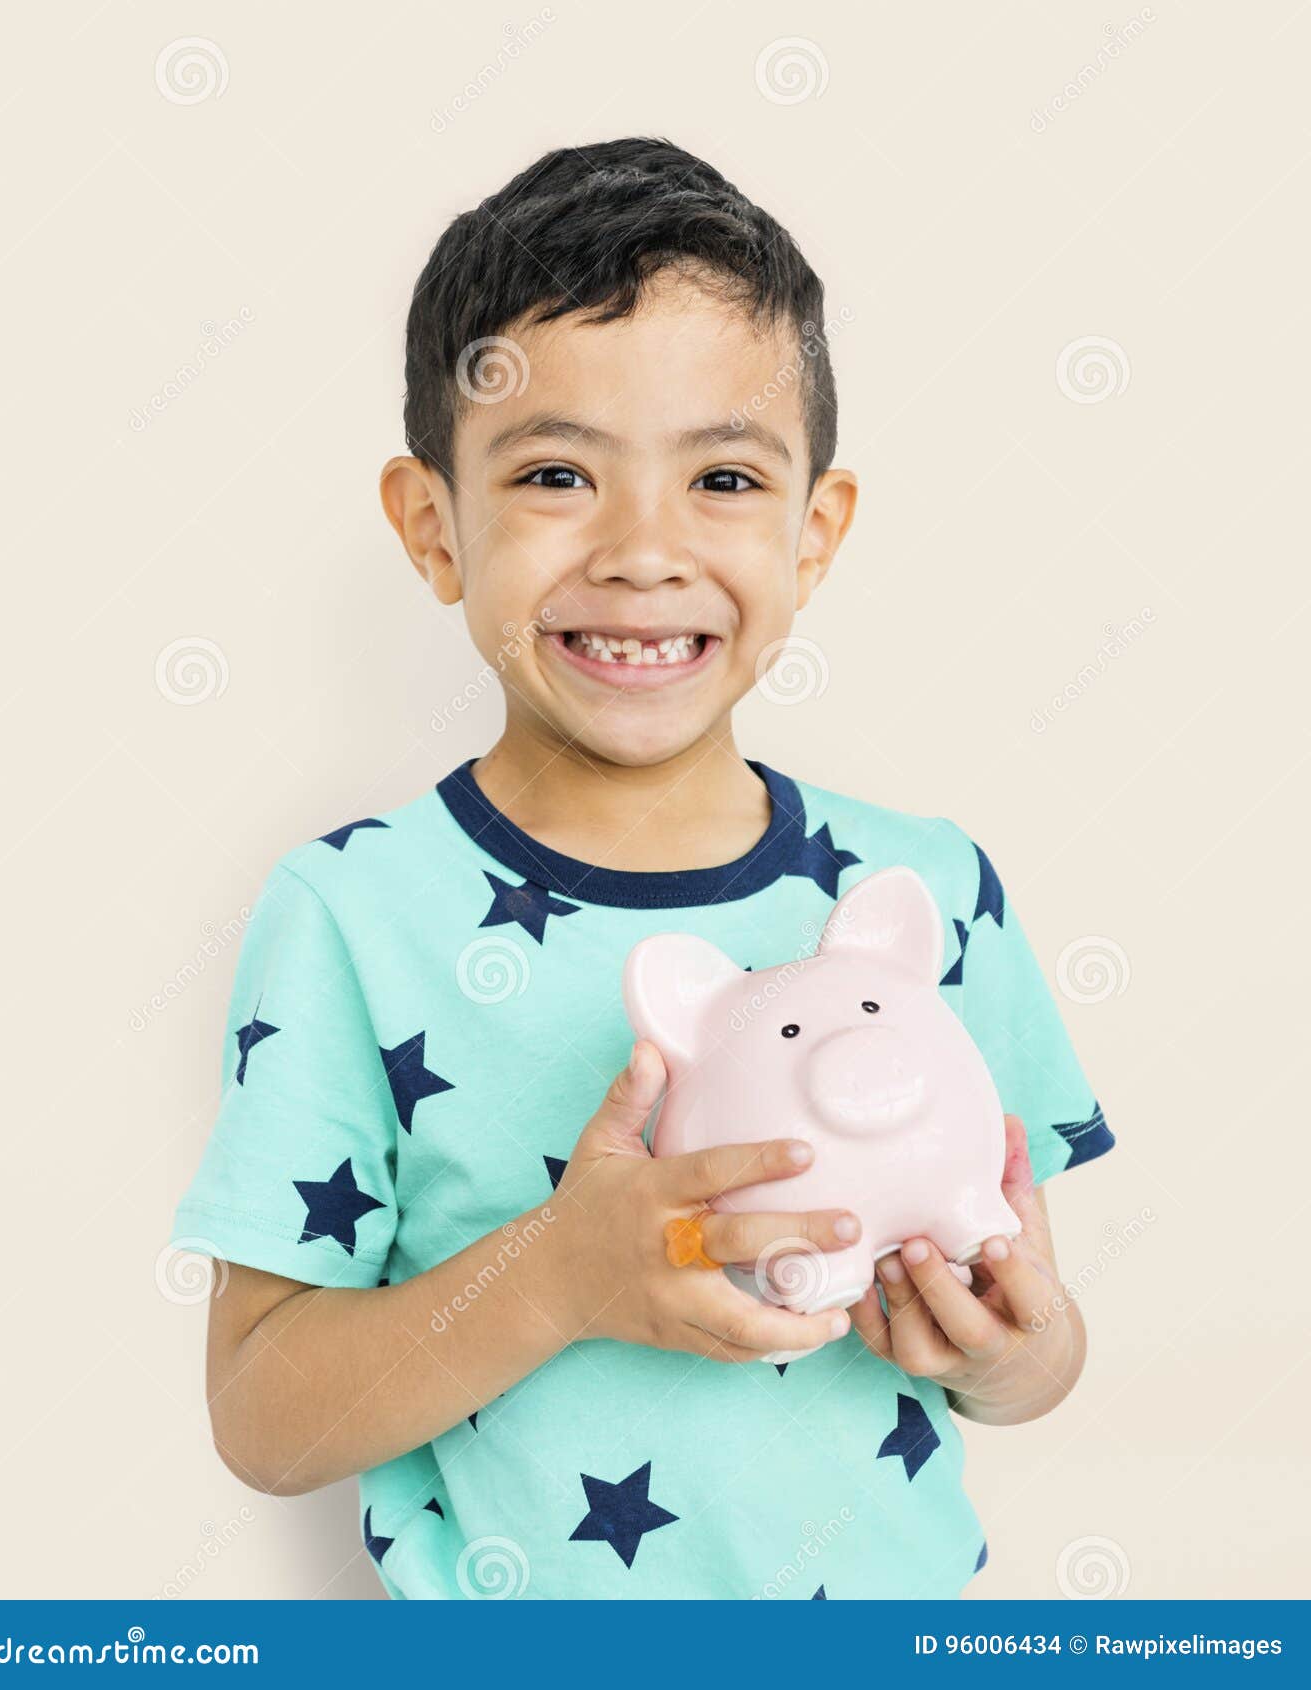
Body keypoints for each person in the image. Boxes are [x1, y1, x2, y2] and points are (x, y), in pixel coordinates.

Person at [170, 136, 1115, 1600]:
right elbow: (264, 1420)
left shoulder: (925, 891)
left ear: (815, 535)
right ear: (435, 528)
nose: (644, 551)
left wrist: (1009, 1348)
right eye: (556, 472)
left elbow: (1035, 1357)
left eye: (723, 476)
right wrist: (561, 1272)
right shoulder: (351, 915)